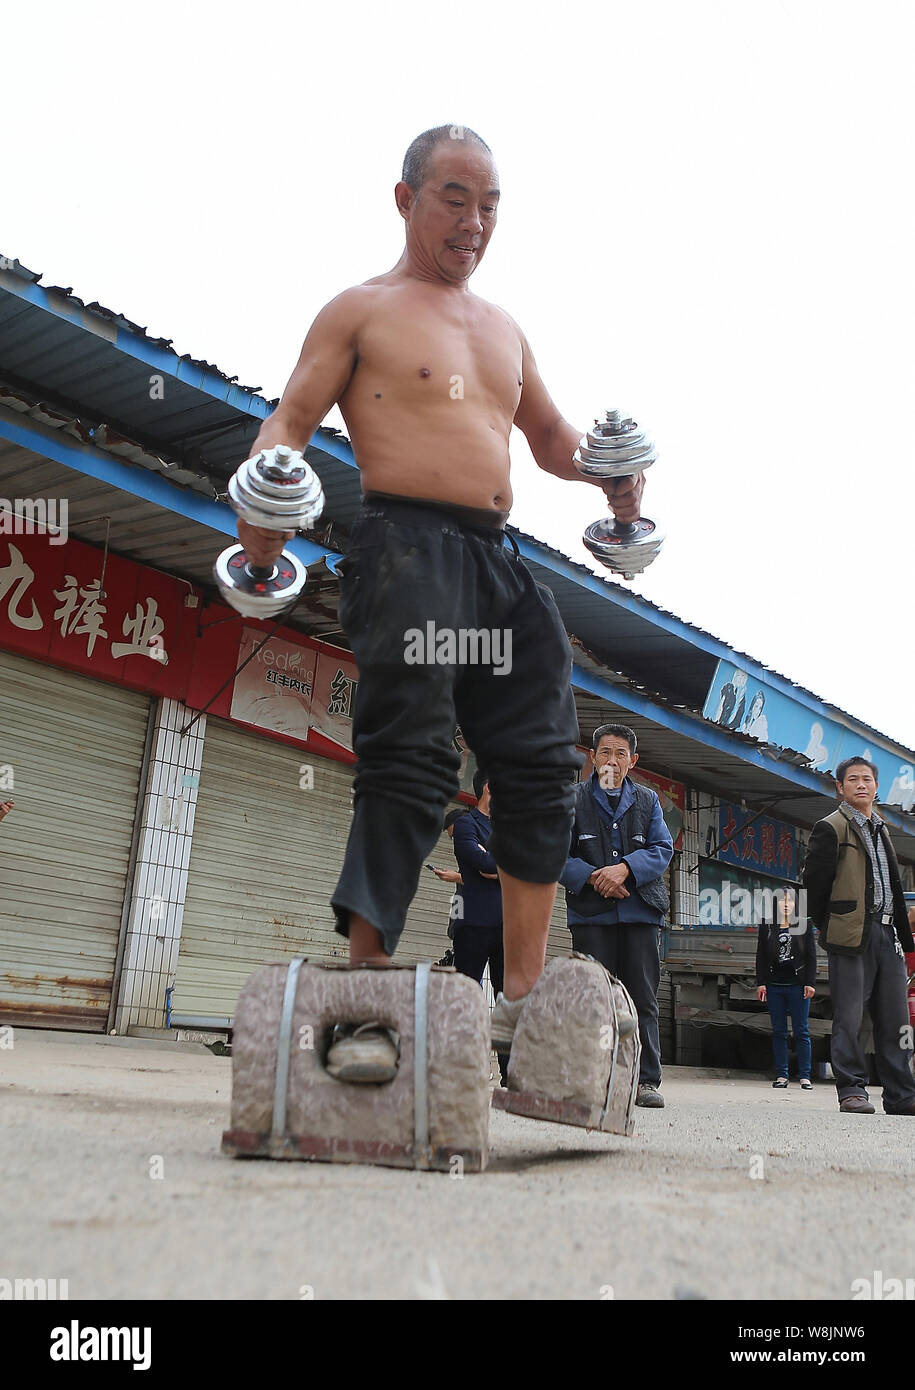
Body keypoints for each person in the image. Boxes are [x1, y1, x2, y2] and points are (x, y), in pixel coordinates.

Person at [236, 126, 644, 1080]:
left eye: (490, 203)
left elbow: (549, 440)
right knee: (413, 755)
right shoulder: (360, 310)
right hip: (404, 547)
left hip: (497, 560)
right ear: (405, 198)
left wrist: (612, 477)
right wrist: (263, 515)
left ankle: (523, 1012)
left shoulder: (502, 328)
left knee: (544, 765)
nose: (474, 220)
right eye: (455, 197)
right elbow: (288, 423)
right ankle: (368, 991)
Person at [559, 723, 673, 1107]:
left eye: (620, 754)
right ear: (592, 757)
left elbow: (662, 848)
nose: (612, 760)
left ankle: (645, 1081)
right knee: (594, 998)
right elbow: (557, 853)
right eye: (604, 752)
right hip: (592, 915)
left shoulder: (647, 800)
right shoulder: (573, 799)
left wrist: (624, 869)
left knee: (641, 996)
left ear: (633, 761)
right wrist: (594, 876)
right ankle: (593, 1078)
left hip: (640, 913)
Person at [803, 756, 915, 1115]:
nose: (861, 785)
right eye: (853, 780)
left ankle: (902, 1095)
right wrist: (833, 924)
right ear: (841, 787)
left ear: (876, 786)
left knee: (897, 1021)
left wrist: (899, 931)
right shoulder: (831, 827)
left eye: (867, 779)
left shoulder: (882, 829)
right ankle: (851, 1090)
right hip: (851, 935)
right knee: (849, 1018)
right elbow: (815, 887)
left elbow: (891, 887)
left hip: (888, 935)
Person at [450, 771, 510, 1082]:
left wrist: (497, 865)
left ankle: (509, 1070)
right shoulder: (465, 823)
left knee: (506, 999)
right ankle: (464, 1067)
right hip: (472, 923)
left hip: (508, 926)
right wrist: (505, 867)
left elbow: (524, 861)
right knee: (467, 997)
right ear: (489, 787)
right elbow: (476, 860)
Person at [755, 887, 816, 1089]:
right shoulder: (767, 925)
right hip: (774, 987)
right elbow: (761, 957)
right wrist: (761, 982)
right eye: (782, 901)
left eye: (790, 901)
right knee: (779, 1032)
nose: (786, 904)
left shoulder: (805, 925)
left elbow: (811, 957)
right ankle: (782, 1076)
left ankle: (805, 1076)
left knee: (802, 1031)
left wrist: (810, 983)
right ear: (776, 904)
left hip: (798, 986)